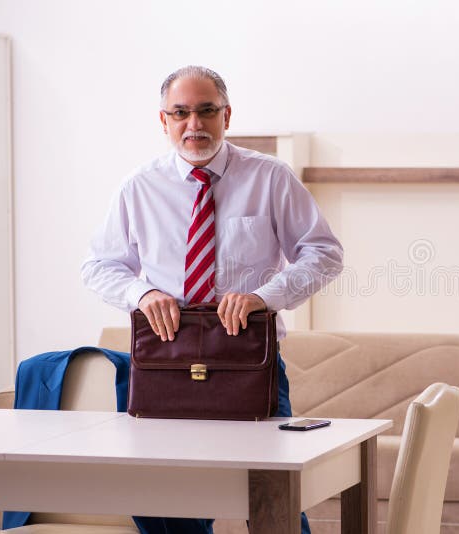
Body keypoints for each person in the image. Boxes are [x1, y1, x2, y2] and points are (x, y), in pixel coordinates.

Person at [81, 65, 343, 534]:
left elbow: (324, 253)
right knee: (166, 499)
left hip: (250, 360)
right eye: (180, 113)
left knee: (272, 499)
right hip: (165, 362)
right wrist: (142, 292)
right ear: (163, 121)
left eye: (206, 111)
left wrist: (266, 296)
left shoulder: (270, 178)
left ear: (227, 115)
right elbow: (98, 266)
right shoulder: (137, 188)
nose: (194, 124)